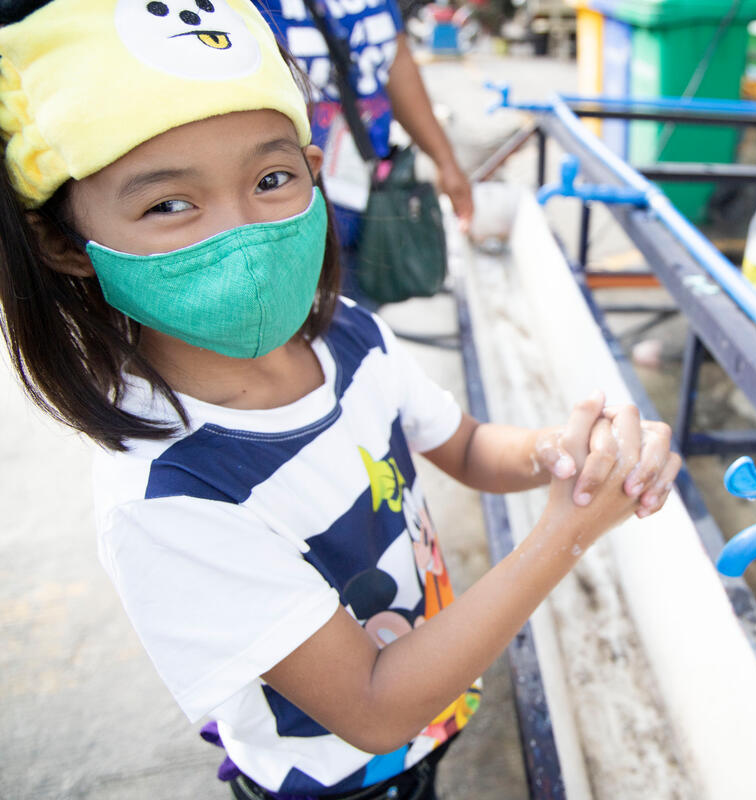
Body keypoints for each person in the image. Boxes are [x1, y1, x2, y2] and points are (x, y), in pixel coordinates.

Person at [0, 2, 681, 798]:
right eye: (169, 204)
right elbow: (374, 707)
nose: (243, 234)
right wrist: (568, 531)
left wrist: (560, 454)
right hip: (336, 781)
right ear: (61, 242)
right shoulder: (167, 496)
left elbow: (464, 447)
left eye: (271, 180)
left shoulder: (349, 336)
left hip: (433, 716)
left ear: (314, 171)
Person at [252, 0, 474, 291]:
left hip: (364, 207)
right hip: (278, 231)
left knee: (356, 307)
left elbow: (396, 60)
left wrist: (446, 162)